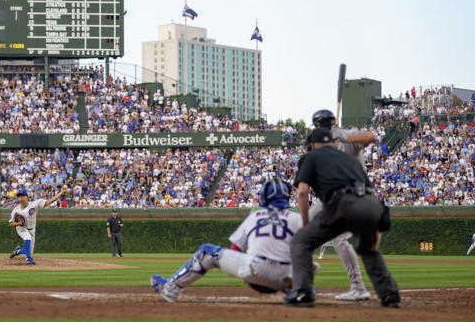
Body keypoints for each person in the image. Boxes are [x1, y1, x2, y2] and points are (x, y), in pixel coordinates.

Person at [284, 128, 400, 308]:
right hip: (371, 206)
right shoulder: (350, 159)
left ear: (312, 145)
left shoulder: (311, 157)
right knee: (368, 248)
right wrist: (377, 227)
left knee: (301, 241)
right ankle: (390, 295)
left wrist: (305, 224)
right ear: (332, 143)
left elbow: (302, 192)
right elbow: (370, 193)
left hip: (341, 204)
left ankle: (303, 292)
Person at [151, 179, 312, 302]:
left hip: (257, 271)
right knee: (299, 269)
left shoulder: (255, 215)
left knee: (207, 251)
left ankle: (171, 288)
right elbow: (305, 250)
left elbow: (235, 249)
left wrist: (244, 269)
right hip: (286, 276)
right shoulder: (298, 218)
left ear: (264, 196)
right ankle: (304, 290)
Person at [306, 109, 372, 301]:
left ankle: (358, 287)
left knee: (339, 239)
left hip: (354, 194)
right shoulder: (321, 144)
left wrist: (344, 136)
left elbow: (371, 137)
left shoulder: (345, 137)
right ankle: (307, 265)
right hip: (332, 196)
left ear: (320, 125)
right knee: (301, 226)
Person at [8, 186, 67, 265]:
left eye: (22, 196)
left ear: (27, 197)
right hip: (21, 228)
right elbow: (11, 224)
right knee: (27, 238)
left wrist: (61, 192)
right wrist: (18, 223)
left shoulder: (34, 204)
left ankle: (17, 251)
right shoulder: (15, 210)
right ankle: (28, 259)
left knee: (29, 251)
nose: (20, 198)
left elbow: (49, 202)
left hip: (32, 229)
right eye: (19, 196)